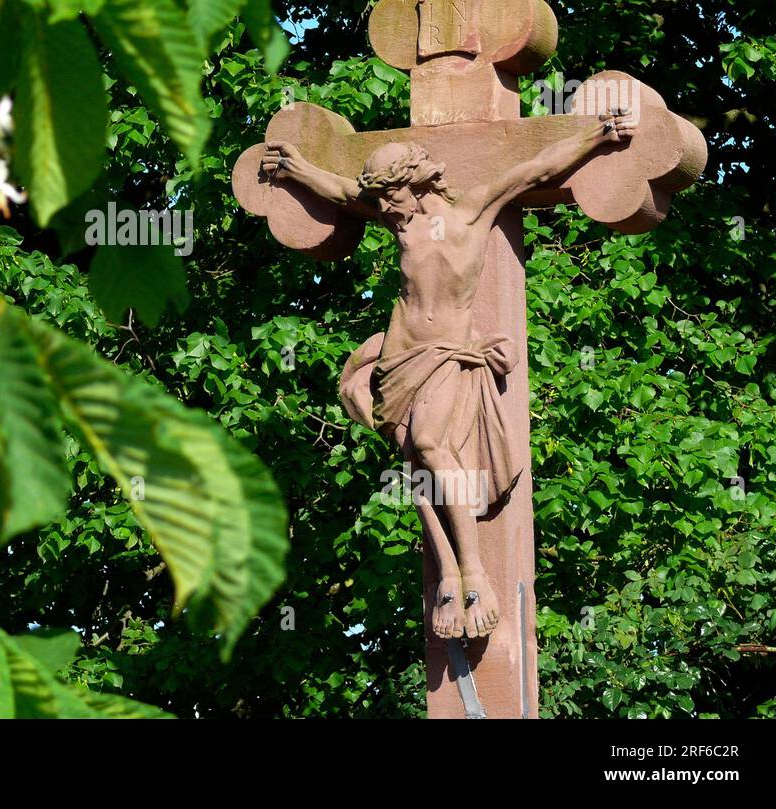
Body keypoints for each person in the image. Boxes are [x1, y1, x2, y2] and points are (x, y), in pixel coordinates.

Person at [261, 112, 635, 638]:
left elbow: (536, 169)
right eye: (380, 199)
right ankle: (450, 576)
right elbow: (344, 192)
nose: (384, 208)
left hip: (447, 353)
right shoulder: (400, 221)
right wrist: (295, 167)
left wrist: (597, 136)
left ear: (415, 183)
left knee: (430, 444)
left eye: (391, 196)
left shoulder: (470, 212)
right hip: (399, 355)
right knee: (416, 464)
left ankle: (475, 571)